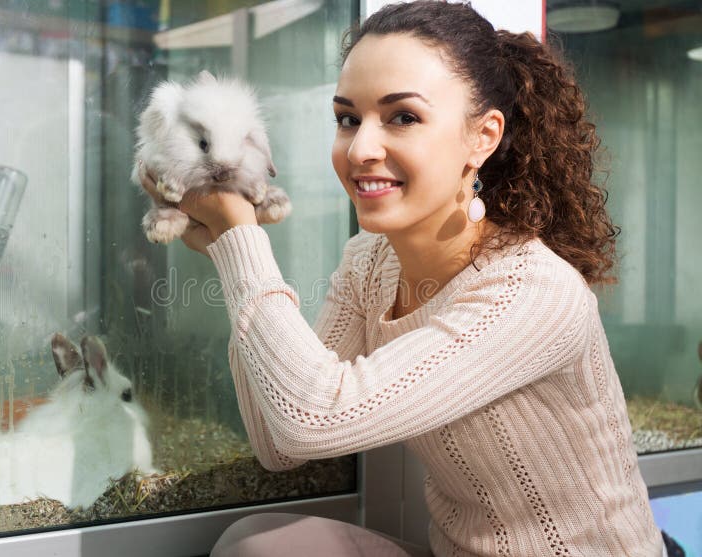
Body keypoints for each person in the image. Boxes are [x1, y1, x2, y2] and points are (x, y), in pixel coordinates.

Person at [139, 2, 666, 555]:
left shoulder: (534, 293)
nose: (362, 149)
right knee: (255, 543)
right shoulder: (372, 261)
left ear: (482, 137)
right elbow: (280, 445)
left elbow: (312, 420)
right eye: (348, 118)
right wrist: (228, 245)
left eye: (403, 117)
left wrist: (242, 238)